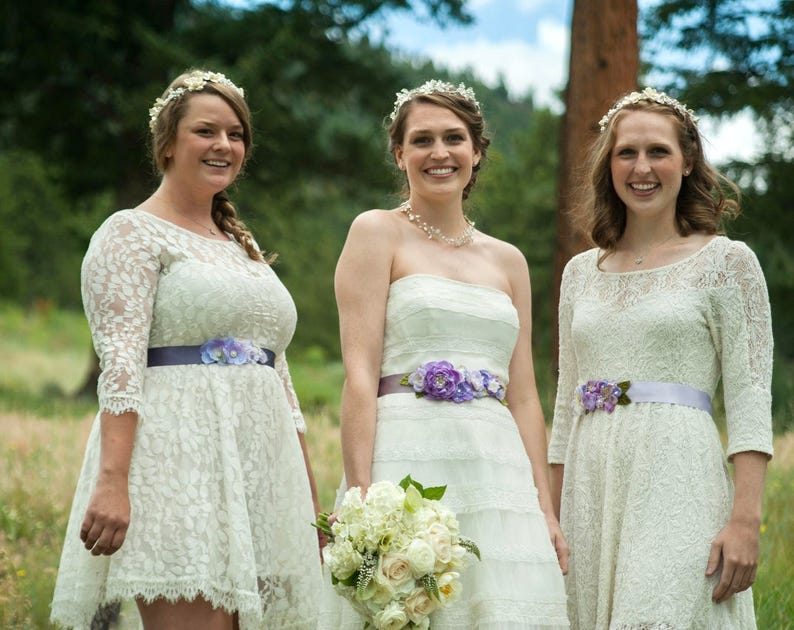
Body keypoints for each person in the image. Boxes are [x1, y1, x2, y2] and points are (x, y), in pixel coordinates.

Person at [50, 69, 323, 630]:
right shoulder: (130, 234)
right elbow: (120, 372)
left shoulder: (244, 249)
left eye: (236, 133)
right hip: (177, 467)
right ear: (168, 143)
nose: (225, 145)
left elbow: (281, 379)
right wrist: (112, 481)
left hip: (261, 473)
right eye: (206, 131)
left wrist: (308, 503)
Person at [319, 79, 570, 629]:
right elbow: (359, 374)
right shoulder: (376, 232)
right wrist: (361, 495)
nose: (439, 153)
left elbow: (525, 396)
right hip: (406, 454)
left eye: (454, 138)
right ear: (400, 153)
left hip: (496, 465)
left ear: (476, 152)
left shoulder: (509, 262)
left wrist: (544, 507)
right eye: (423, 140)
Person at [548, 87, 774, 629]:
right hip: (590, 485)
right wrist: (549, 518)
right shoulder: (580, 272)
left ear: (687, 160)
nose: (641, 168)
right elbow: (563, 407)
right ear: (609, 163)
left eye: (658, 152)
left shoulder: (727, 262)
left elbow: (749, 398)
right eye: (627, 152)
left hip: (678, 477)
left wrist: (746, 520)